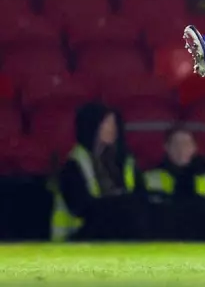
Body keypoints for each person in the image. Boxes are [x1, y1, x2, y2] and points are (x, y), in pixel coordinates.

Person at [51, 103, 151, 241]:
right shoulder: (75, 163)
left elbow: (141, 197)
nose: (113, 129)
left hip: (123, 232)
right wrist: (117, 203)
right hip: (81, 235)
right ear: (92, 126)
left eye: (114, 123)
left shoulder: (124, 161)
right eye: (107, 123)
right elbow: (80, 207)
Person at [144, 125, 205, 241]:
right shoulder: (149, 177)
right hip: (167, 240)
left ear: (194, 147)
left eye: (186, 144)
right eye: (175, 144)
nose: (181, 149)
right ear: (166, 147)